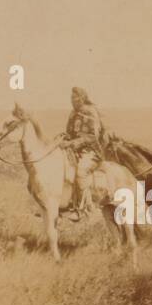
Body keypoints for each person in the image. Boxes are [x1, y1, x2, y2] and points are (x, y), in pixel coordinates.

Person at [61, 86, 104, 220]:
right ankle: (61, 204)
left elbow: (92, 137)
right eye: (71, 98)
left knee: (80, 171)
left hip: (91, 152)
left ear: (83, 98)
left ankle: (81, 209)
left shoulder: (90, 112)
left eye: (75, 98)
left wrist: (71, 143)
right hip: (74, 151)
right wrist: (63, 138)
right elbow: (70, 133)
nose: (72, 100)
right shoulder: (73, 113)